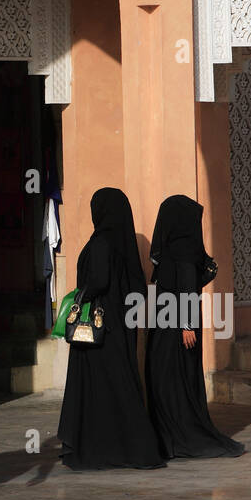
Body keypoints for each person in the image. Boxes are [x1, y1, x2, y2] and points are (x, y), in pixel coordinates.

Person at [57, 188, 166, 470]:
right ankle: (129, 448)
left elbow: (99, 281)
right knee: (118, 385)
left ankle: (112, 449)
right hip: (117, 327)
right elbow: (135, 288)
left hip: (98, 330)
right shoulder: (122, 244)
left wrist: (80, 296)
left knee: (105, 386)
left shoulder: (102, 242)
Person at [144, 194, 245, 459]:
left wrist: (186, 323)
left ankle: (170, 437)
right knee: (179, 379)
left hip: (167, 327)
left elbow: (182, 286)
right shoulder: (185, 249)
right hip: (179, 327)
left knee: (166, 379)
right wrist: (187, 324)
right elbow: (186, 287)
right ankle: (182, 436)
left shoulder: (171, 251)